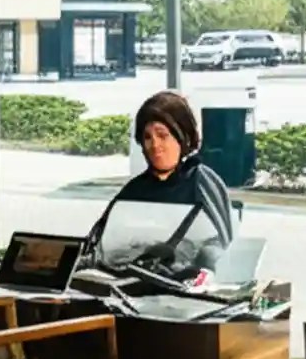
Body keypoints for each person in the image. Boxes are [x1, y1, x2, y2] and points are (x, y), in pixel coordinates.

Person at [89, 91, 233, 275]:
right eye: (148, 137)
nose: (155, 145)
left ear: (183, 137)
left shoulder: (202, 183)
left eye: (162, 135)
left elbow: (221, 249)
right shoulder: (134, 190)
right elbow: (100, 244)